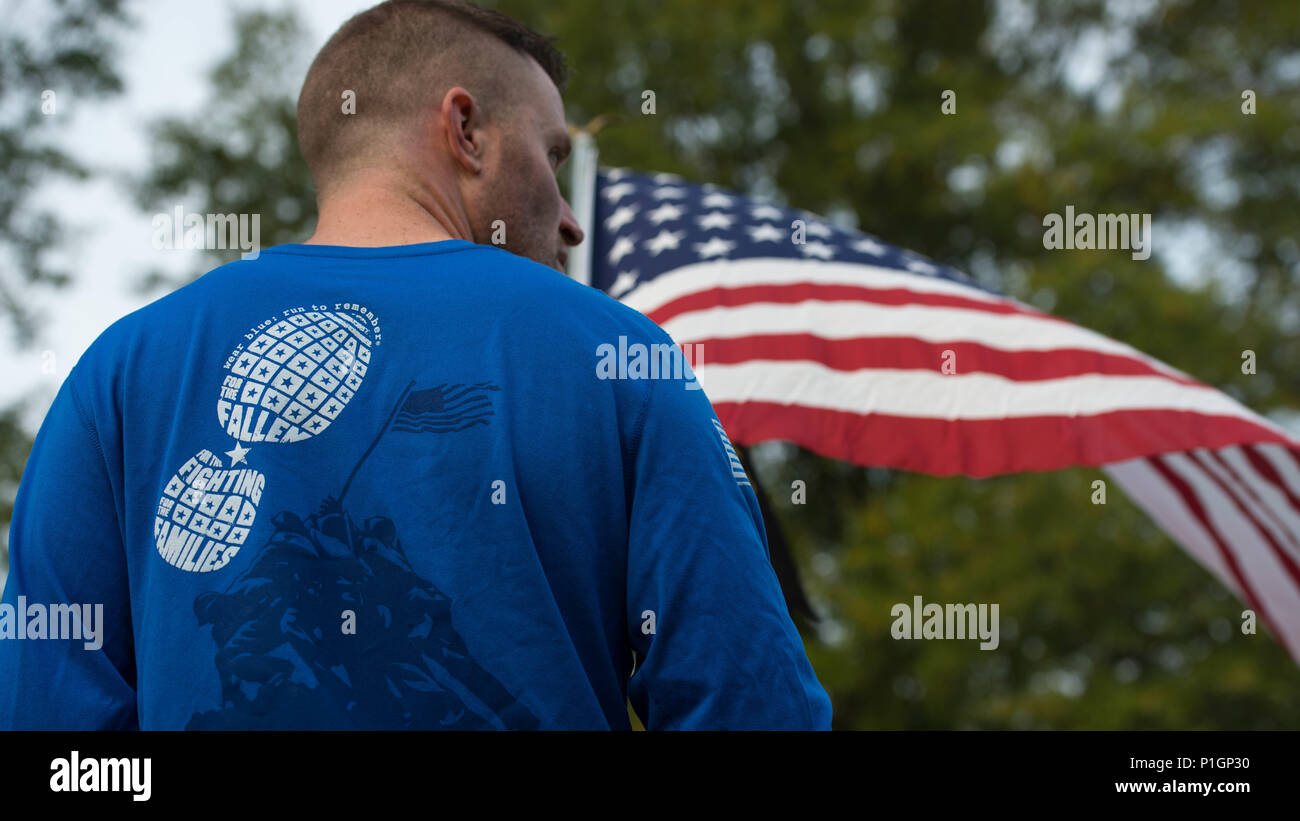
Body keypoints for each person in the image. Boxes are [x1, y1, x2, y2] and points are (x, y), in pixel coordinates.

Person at [0, 0, 832, 730]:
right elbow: (749, 702)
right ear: (465, 129)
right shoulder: (623, 358)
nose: (573, 222)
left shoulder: (116, 376)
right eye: (550, 153)